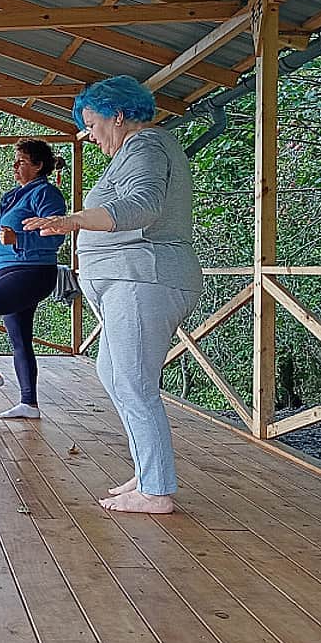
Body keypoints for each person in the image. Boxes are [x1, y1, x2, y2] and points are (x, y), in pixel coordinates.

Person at [23, 75, 202, 515]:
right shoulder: (136, 151)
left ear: (118, 115)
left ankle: (157, 490)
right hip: (131, 282)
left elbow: (143, 206)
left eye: (92, 122)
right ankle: (147, 471)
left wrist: (73, 221)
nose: (89, 133)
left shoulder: (146, 146)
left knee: (134, 384)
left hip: (145, 278)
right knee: (113, 372)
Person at [0, 140, 67, 420]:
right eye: (15, 161)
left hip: (32, 271)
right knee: (19, 338)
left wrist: (19, 238)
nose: (14, 166)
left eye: (21, 161)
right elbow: (4, 236)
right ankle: (28, 403)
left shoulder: (46, 194)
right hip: (10, 270)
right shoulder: (15, 196)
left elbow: (57, 234)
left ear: (38, 165)